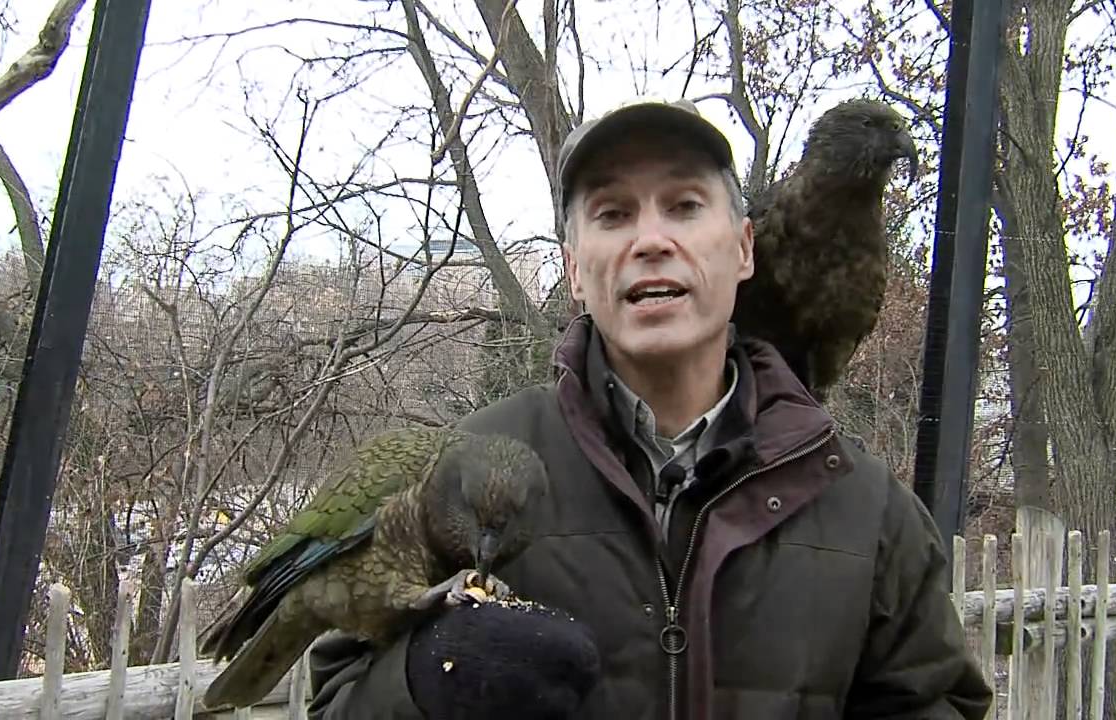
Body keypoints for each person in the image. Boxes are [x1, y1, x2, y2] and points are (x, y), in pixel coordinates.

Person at [307, 97, 993, 719]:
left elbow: (936, 705)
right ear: (576, 270)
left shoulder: (863, 507)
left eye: (686, 206)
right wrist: (424, 686)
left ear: (745, 249)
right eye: (613, 214)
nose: (651, 240)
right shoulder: (460, 472)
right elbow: (335, 698)